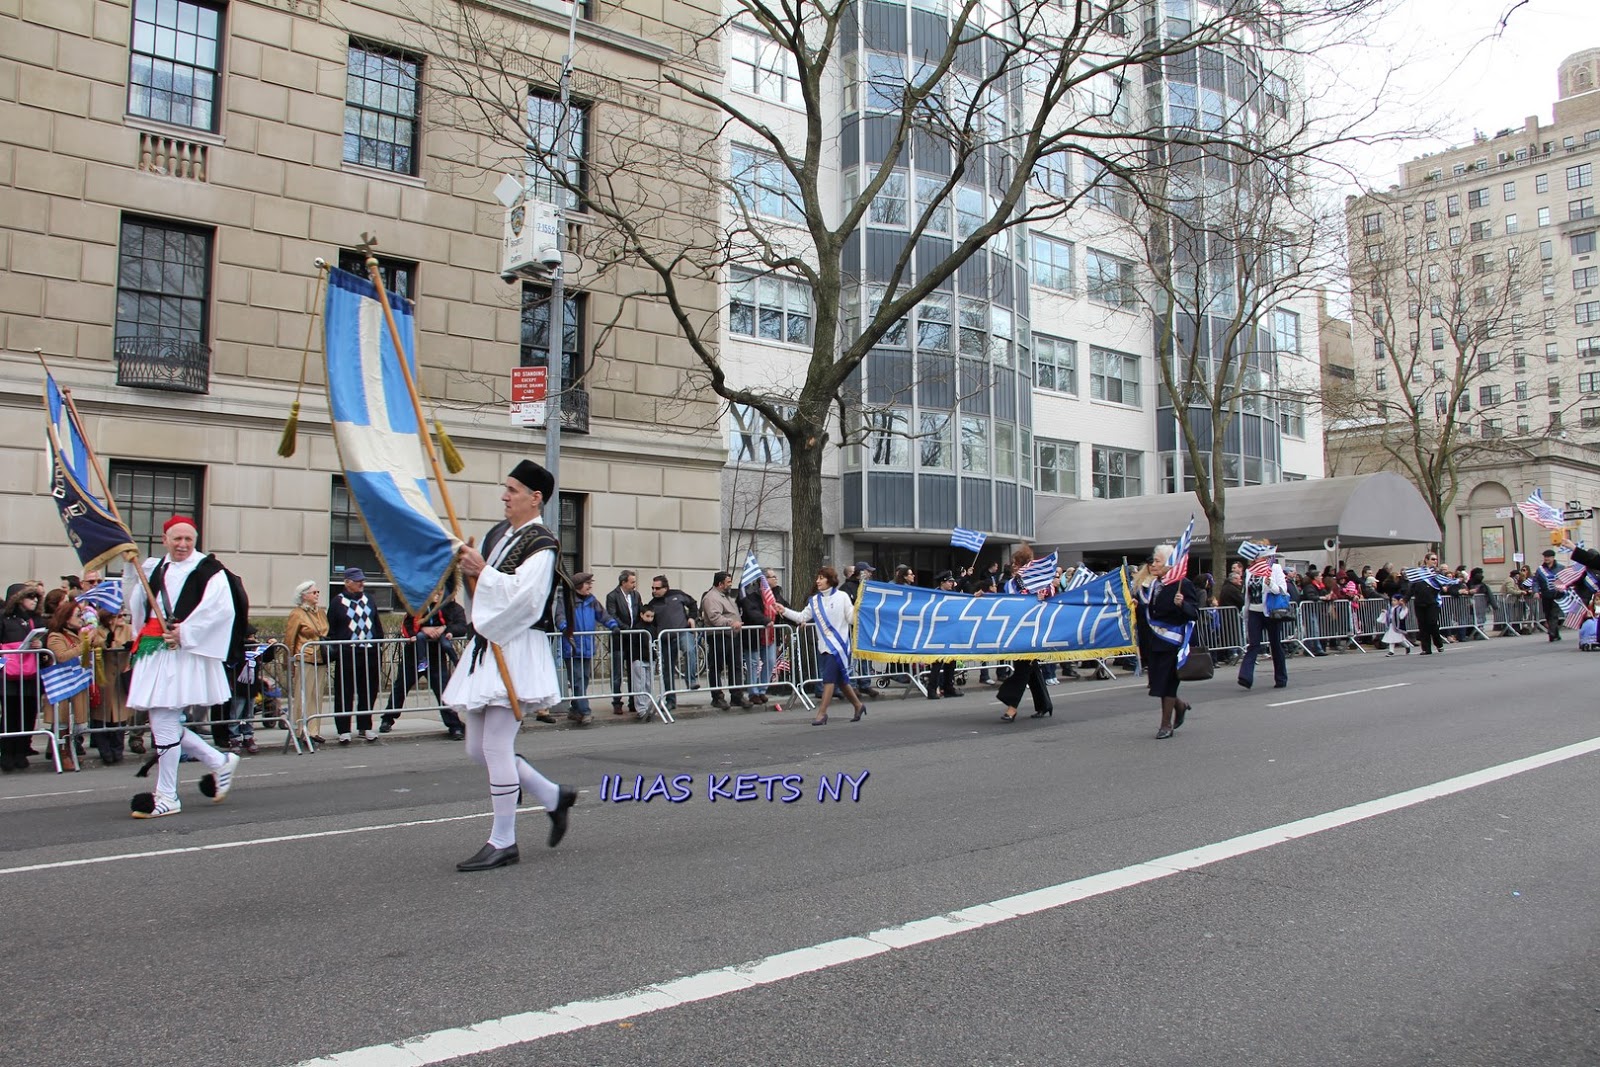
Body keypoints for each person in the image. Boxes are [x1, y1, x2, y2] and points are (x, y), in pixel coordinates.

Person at [444, 459, 578, 873]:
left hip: (516, 644)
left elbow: (528, 599)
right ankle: (553, 796)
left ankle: (504, 840)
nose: (504, 496)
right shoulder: (502, 535)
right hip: (493, 643)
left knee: (496, 746)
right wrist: (471, 569)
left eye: (513, 490)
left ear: (535, 498)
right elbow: (485, 591)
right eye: (505, 489)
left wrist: (483, 572)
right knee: (476, 747)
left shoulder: (542, 542)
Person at [122, 516, 242, 818]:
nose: (183, 545)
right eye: (177, 539)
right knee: (163, 721)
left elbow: (220, 609)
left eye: (188, 539)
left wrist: (185, 633)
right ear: (165, 539)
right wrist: (128, 566)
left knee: (162, 720)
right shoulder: (154, 568)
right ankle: (217, 762)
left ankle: (167, 795)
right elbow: (137, 605)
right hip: (155, 649)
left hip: (182, 651)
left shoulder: (208, 570)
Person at [779, 567, 865, 725]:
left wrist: (860, 610)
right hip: (824, 646)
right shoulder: (815, 601)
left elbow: (851, 619)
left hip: (839, 646)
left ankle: (821, 713)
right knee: (841, 681)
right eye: (817, 578)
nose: (817, 581)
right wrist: (783, 610)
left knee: (828, 679)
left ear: (830, 579)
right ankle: (858, 705)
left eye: (821, 578)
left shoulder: (842, 596)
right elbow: (801, 617)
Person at [1134, 545, 1199, 739]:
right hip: (1154, 640)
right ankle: (1179, 705)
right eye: (1154, 561)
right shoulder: (1154, 584)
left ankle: (1165, 725)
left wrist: (1182, 604)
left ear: (1169, 564)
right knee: (1157, 682)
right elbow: (1150, 612)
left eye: (1157, 561)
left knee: (1169, 682)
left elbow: (1194, 612)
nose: (1153, 565)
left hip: (1173, 641)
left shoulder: (1182, 584)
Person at [380, 595, 469, 738]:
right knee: (401, 687)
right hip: (413, 655)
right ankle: (387, 719)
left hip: (436, 655)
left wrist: (444, 629)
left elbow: (460, 626)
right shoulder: (418, 605)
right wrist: (422, 630)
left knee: (443, 689)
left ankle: (454, 725)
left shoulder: (453, 607)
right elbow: (408, 625)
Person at [43, 589, 103, 771]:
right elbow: (61, 656)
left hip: (77, 684)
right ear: (66, 618)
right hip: (61, 685)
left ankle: (71, 749)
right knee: (61, 721)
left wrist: (93, 630)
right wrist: (83, 644)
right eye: (77, 615)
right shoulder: (56, 636)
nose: (80, 618)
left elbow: (101, 643)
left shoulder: (81, 633)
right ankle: (62, 753)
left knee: (79, 722)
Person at [325, 567, 384, 744]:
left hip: (370, 651)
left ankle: (365, 726)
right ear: (347, 582)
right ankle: (343, 729)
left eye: (362, 580)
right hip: (348, 652)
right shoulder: (338, 602)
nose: (361, 583)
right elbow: (331, 629)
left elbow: (377, 625)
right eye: (357, 580)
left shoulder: (369, 600)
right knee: (345, 690)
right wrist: (337, 650)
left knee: (369, 690)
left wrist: (379, 645)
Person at [996, 546, 1054, 723]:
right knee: (1030, 669)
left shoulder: (1039, 582)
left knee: (1022, 669)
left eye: (1016, 563)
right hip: (1017, 629)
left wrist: (1042, 597)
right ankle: (1045, 705)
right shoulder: (1010, 584)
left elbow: (1050, 595)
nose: (1013, 566)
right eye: (1013, 563)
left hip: (1033, 631)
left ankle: (1011, 707)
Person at [557, 572, 618, 724]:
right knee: (578, 680)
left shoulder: (591, 600)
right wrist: (565, 627)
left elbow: (603, 615)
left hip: (588, 647)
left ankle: (574, 709)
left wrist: (613, 625)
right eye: (587, 583)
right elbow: (559, 617)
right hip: (572, 647)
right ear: (578, 585)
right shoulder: (566, 600)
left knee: (583, 680)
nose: (590, 586)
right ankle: (585, 712)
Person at [1237, 544, 1290, 690]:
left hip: (1270, 612)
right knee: (1253, 644)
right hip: (1254, 611)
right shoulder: (1250, 572)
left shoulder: (1275, 569)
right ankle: (1245, 677)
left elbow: (1282, 590)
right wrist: (1245, 611)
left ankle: (1281, 678)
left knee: (1275, 644)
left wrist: (1271, 583)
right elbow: (1247, 593)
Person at [283, 580, 329, 744]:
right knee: (303, 695)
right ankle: (300, 729)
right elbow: (290, 638)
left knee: (316, 695)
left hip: (320, 657)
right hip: (305, 657)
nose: (317, 595)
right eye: (313, 592)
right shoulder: (297, 613)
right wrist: (288, 661)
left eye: (318, 592)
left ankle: (314, 729)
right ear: (304, 595)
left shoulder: (321, 612)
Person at [644, 575, 697, 704]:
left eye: (657, 588)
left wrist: (692, 617)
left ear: (666, 588)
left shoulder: (678, 595)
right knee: (668, 669)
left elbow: (693, 604)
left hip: (682, 631)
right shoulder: (652, 604)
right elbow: (651, 622)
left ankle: (691, 680)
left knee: (689, 651)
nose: (654, 591)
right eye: (652, 588)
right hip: (665, 638)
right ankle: (671, 700)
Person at [699, 571, 746, 709]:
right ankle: (717, 697)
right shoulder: (711, 598)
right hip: (719, 636)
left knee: (736, 666)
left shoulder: (726, 597)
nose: (730, 585)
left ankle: (737, 695)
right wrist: (731, 622)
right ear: (720, 584)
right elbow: (714, 617)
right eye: (728, 582)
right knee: (716, 667)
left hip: (732, 635)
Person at [605, 570, 644, 715]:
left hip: (633, 639)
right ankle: (617, 702)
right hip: (619, 639)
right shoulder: (612, 596)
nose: (634, 585)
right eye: (632, 582)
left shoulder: (636, 595)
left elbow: (639, 610)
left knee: (634, 671)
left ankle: (633, 701)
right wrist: (626, 629)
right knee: (617, 673)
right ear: (624, 582)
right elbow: (612, 615)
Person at [925, 571, 964, 699]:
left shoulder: (952, 594)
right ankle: (931, 689)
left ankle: (948, 687)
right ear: (942, 582)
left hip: (950, 631)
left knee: (951, 661)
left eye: (952, 581)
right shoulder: (935, 595)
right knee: (937, 663)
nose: (951, 584)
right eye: (949, 581)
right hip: (939, 632)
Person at [1408, 552, 1447, 654]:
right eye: (1433, 559)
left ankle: (1438, 643)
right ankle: (1426, 649)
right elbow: (1411, 588)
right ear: (1426, 560)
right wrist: (1404, 599)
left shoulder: (1437, 573)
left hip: (1433, 602)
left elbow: (1443, 585)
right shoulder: (1418, 573)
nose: (1435, 561)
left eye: (1436, 559)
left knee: (1432, 623)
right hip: (1420, 602)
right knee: (1423, 625)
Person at [1533, 548, 1563, 642]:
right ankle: (1556, 633)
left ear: (1553, 557)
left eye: (1548, 557)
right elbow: (1536, 582)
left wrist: (1562, 588)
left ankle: (1551, 633)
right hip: (1546, 595)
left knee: (1554, 614)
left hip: (1557, 595)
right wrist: (1536, 591)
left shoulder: (1560, 568)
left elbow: (1566, 580)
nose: (1546, 558)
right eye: (1545, 557)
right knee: (1547, 614)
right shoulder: (1540, 570)